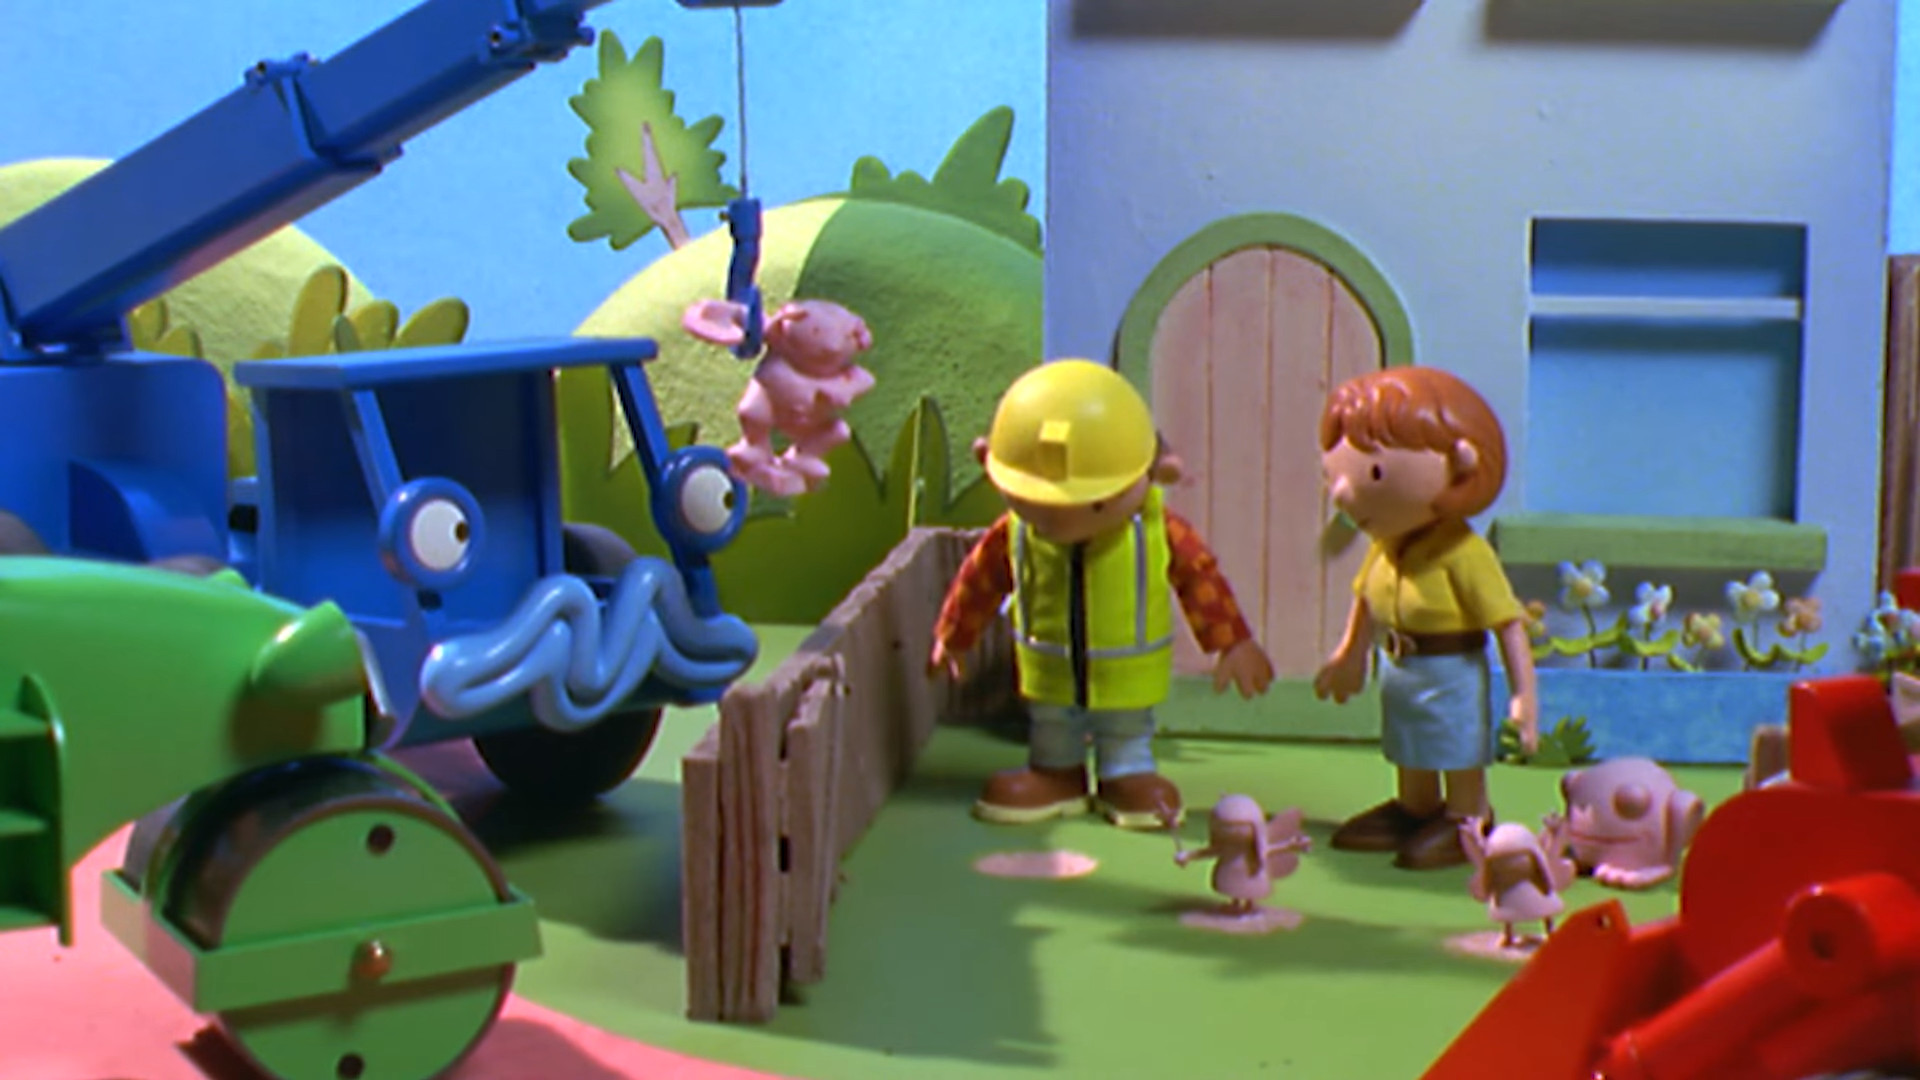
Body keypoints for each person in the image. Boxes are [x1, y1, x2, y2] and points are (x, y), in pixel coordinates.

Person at [930, 359, 1274, 828]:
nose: (1058, 518)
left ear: (1156, 471)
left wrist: (1232, 641)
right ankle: (1055, 774)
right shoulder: (1014, 533)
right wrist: (954, 634)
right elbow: (979, 581)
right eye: (1036, 502)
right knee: (1052, 726)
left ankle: (1127, 775)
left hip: (1127, 672)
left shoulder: (1156, 530)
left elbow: (1201, 580)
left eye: (1093, 502)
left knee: (1125, 731)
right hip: (1049, 669)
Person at [1312, 366, 1538, 869]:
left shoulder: (1463, 552)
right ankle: (1415, 808)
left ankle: (1467, 817)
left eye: (1372, 474)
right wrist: (1350, 655)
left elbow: (1507, 623)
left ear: (1462, 464)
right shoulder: (1386, 544)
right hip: (1401, 669)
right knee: (1409, 744)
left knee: (1455, 747)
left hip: (1449, 671)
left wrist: (1524, 696)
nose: (1342, 494)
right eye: (1332, 476)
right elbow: (1365, 600)